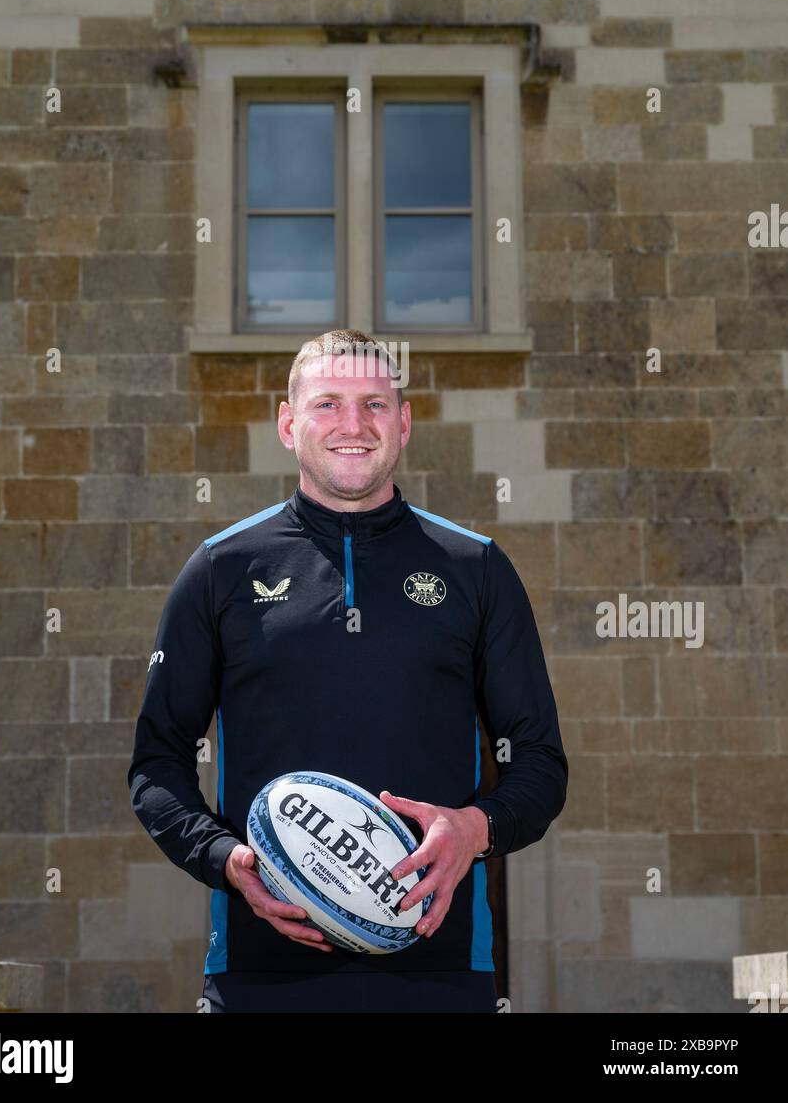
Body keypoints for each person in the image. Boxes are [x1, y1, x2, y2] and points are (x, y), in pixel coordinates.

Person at [128, 329, 568, 1013]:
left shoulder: (476, 568)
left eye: (375, 404)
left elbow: (540, 763)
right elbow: (156, 763)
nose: (353, 425)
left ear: (405, 422)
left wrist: (474, 831)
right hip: (260, 978)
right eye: (328, 402)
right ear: (288, 422)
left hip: (441, 975)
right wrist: (228, 861)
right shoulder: (220, 570)